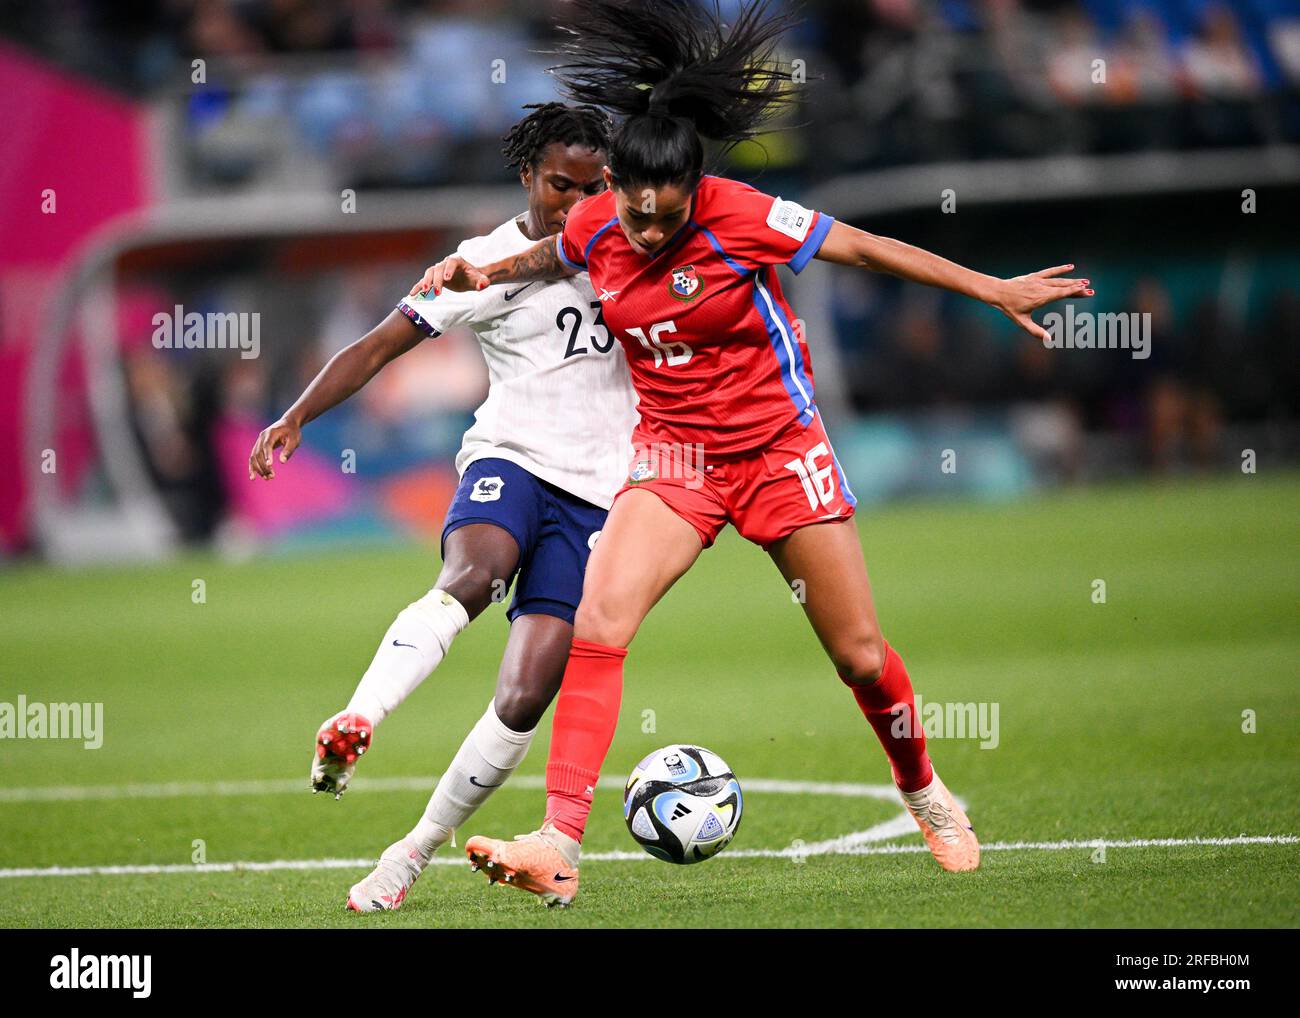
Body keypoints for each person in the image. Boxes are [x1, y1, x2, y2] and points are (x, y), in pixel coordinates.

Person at [414, 0, 1093, 907]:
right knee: (599, 626)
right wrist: (484, 272)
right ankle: (558, 840)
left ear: (696, 194)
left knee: (857, 657)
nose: (647, 234)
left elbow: (867, 247)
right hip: (676, 461)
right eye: (635, 215)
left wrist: (989, 287)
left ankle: (925, 790)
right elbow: (556, 255)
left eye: (665, 219)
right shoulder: (599, 225)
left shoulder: (742, 217)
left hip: (779, 451)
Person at [247, 103, 639, 911]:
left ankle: (410, 852)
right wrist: (295, 416)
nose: (576, 203)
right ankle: (358, 716)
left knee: (528, 691)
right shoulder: (481, 261)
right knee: (472, 577)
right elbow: (378, 344)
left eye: (595, 188)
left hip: (599, 497)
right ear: (528, 174)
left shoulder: (627, 245)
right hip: (512, 462)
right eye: (562, 185)